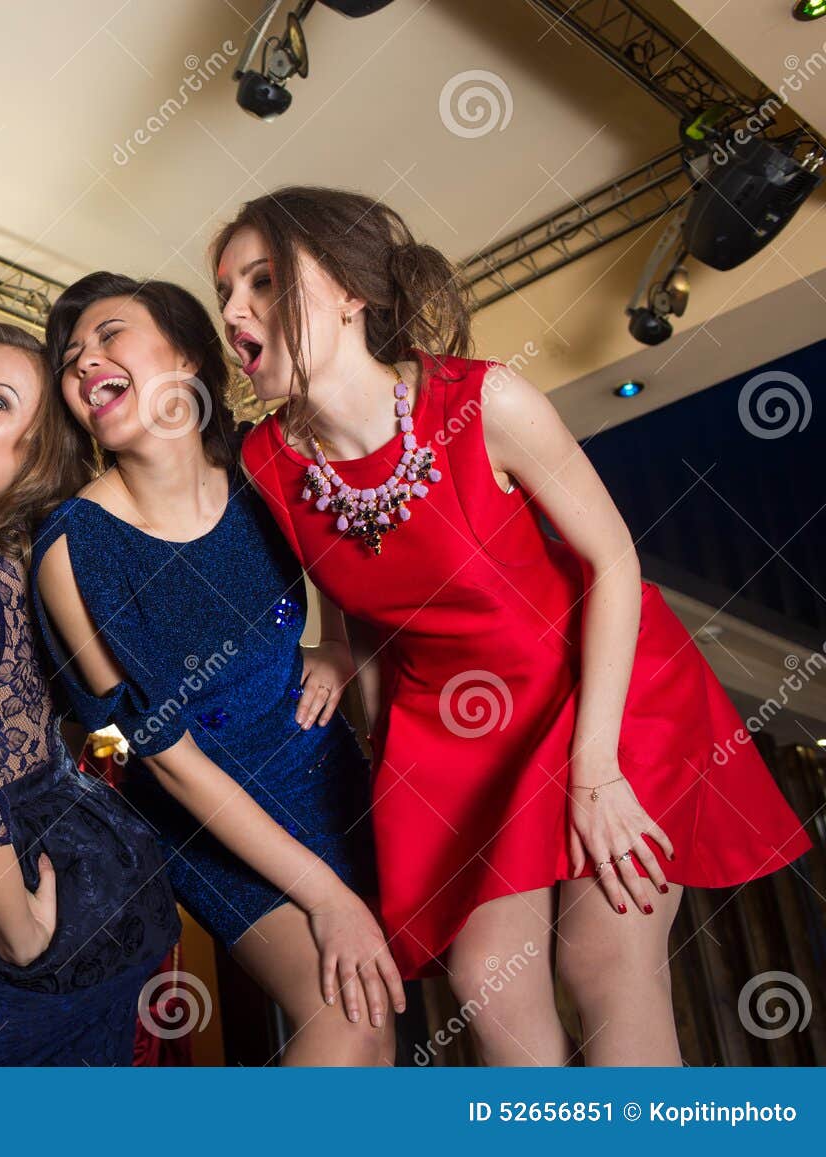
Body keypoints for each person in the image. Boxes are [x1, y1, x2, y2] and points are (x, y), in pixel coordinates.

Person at [220, 185, 814, 1065]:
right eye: (226, 291)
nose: (235, 310)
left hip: (598, 687)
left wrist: (598, 770)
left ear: (349, 290)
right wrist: (339, 648)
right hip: (454, 737)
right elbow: (356, 571)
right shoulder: (266, 460)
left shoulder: (486, 402)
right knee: (488, 980)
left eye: (263, 280)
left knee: (604, 959)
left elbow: (614, 561)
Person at [32, 273, 402, 1065]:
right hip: (201, 812)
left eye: (109, 335)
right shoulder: (72, 547)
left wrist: (336, 644)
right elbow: (156, 759)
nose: (85, 361)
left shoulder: (266, 466)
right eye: (70, 358)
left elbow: (349, 549)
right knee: (347, 1017)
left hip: (323, 766)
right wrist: (326, 896)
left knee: (380, 1023)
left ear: (190, 356)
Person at [0, 317, 179, 1065]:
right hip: (107, 875)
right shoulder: (28, 565)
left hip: (27, 895)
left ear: (38, 453)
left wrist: (18, 930)